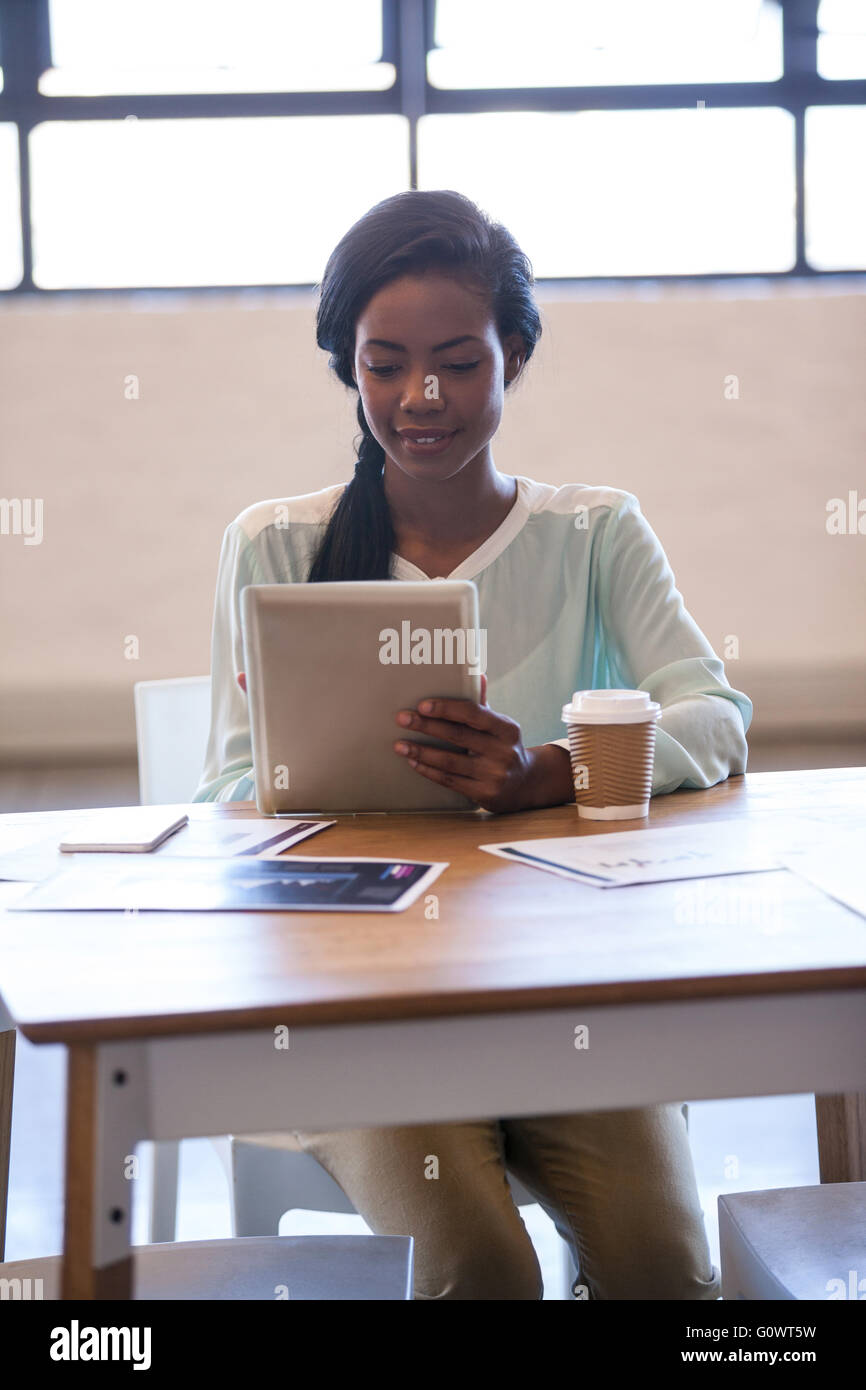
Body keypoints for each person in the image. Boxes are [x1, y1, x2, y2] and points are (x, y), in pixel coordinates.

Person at [194, 189, 752, 1299]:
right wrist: (304, 780)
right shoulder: (273, 543)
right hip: (358, 1016)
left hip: (567, 1000)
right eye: (384, 364)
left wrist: (551, 769)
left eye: (457, 360)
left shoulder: (593, 532)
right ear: (346, 369)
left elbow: (714, 715)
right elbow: (222, 791)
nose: (421, 397)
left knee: (664, 1267)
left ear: (514, 357)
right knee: (479, 1268)